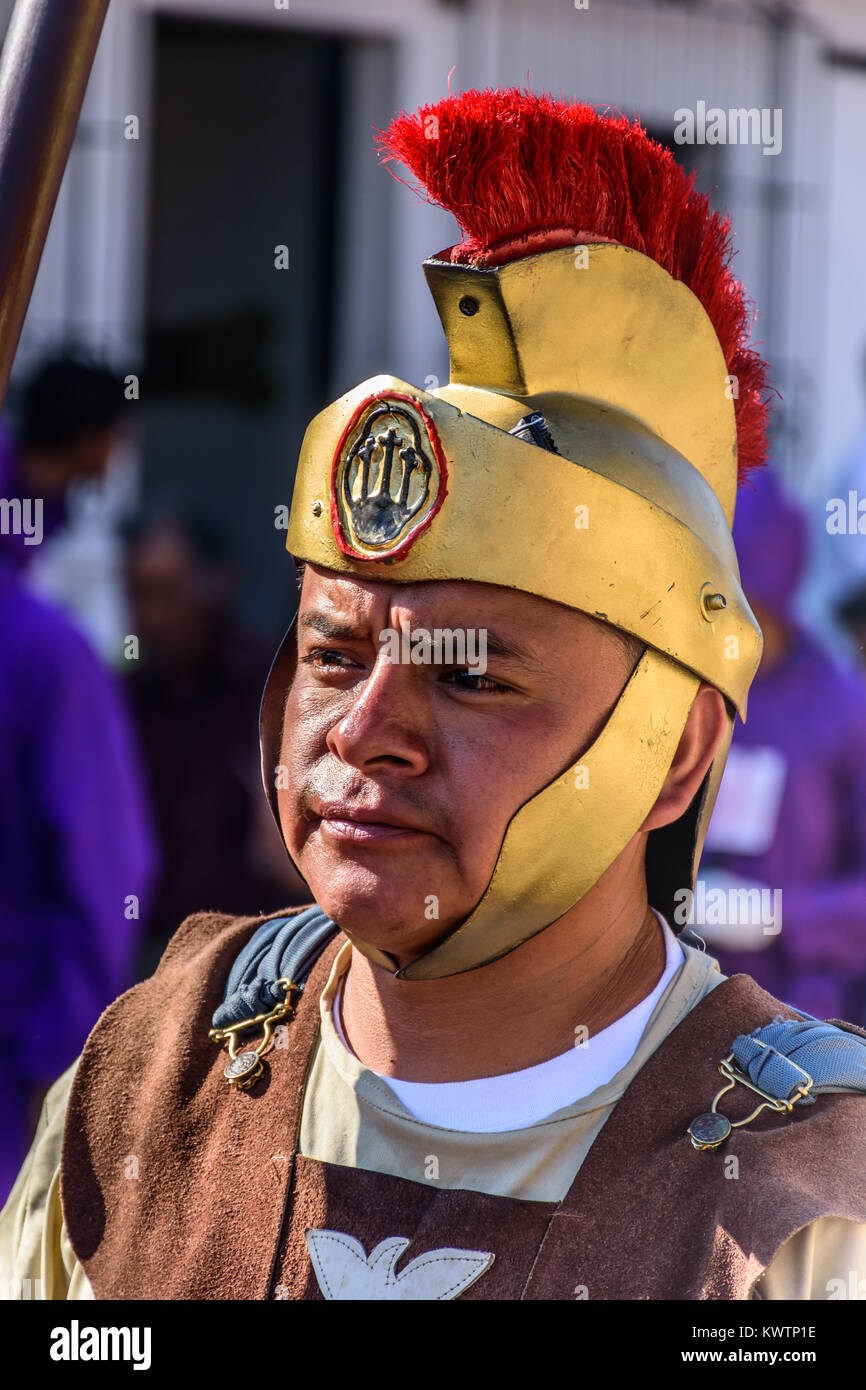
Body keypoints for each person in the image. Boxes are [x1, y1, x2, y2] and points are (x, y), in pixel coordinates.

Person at [2, 89, 866, 1302]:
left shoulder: (821, 1215)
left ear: (675, 752)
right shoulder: (143, 1078)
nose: (360, 734)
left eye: (469, 674)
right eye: (334, 656)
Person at [699, 468, 866, 1024]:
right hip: (673, 1010)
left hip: (806, 1023)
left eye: (743, 602)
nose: (727, 627)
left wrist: (777, 916)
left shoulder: (845, 710)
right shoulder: (680, 698)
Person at [122, 512, 308, 974]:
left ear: (218, 584)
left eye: (167, 593)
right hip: (140, 953)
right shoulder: (120, 702)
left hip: (253, 957)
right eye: (137, 595)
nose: (151, 617)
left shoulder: (271, 690)